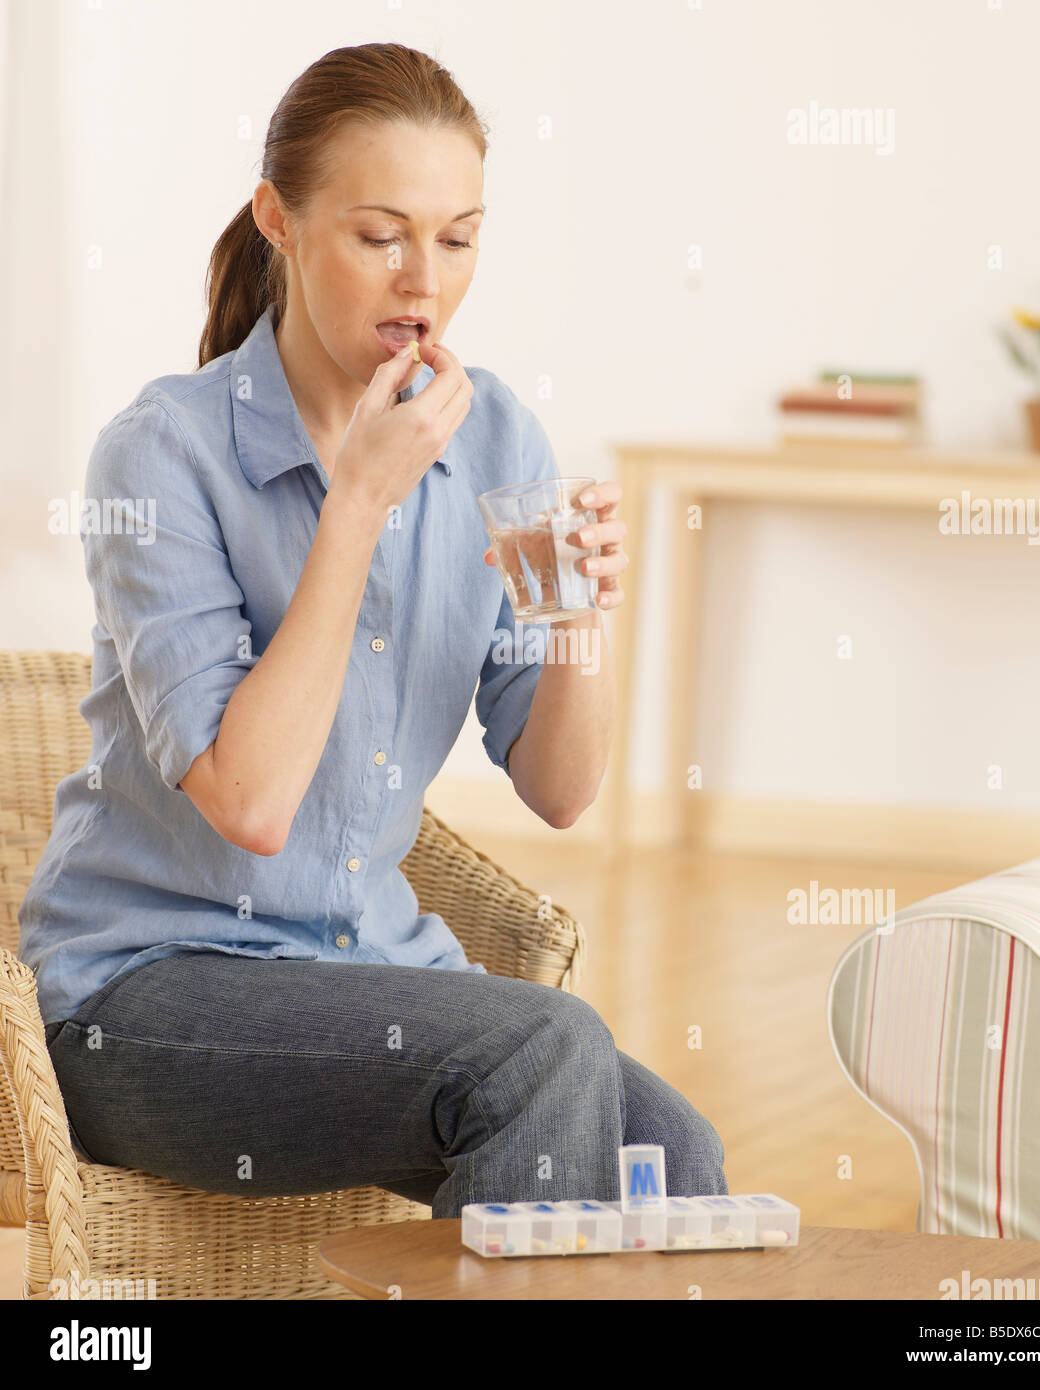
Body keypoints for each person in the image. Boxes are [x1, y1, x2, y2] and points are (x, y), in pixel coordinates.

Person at [19, 42, 728, 1216]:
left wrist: (574, 612)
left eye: (456, 239)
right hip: (143, 997)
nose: (423, 282)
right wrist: (355, 504)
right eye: (379, 234)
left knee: (670, 1150)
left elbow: (560, 789)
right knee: (534, 1049)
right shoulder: (163, 453)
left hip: (366, 970)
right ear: (279, 223)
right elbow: (248, 805)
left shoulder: (495, 436)